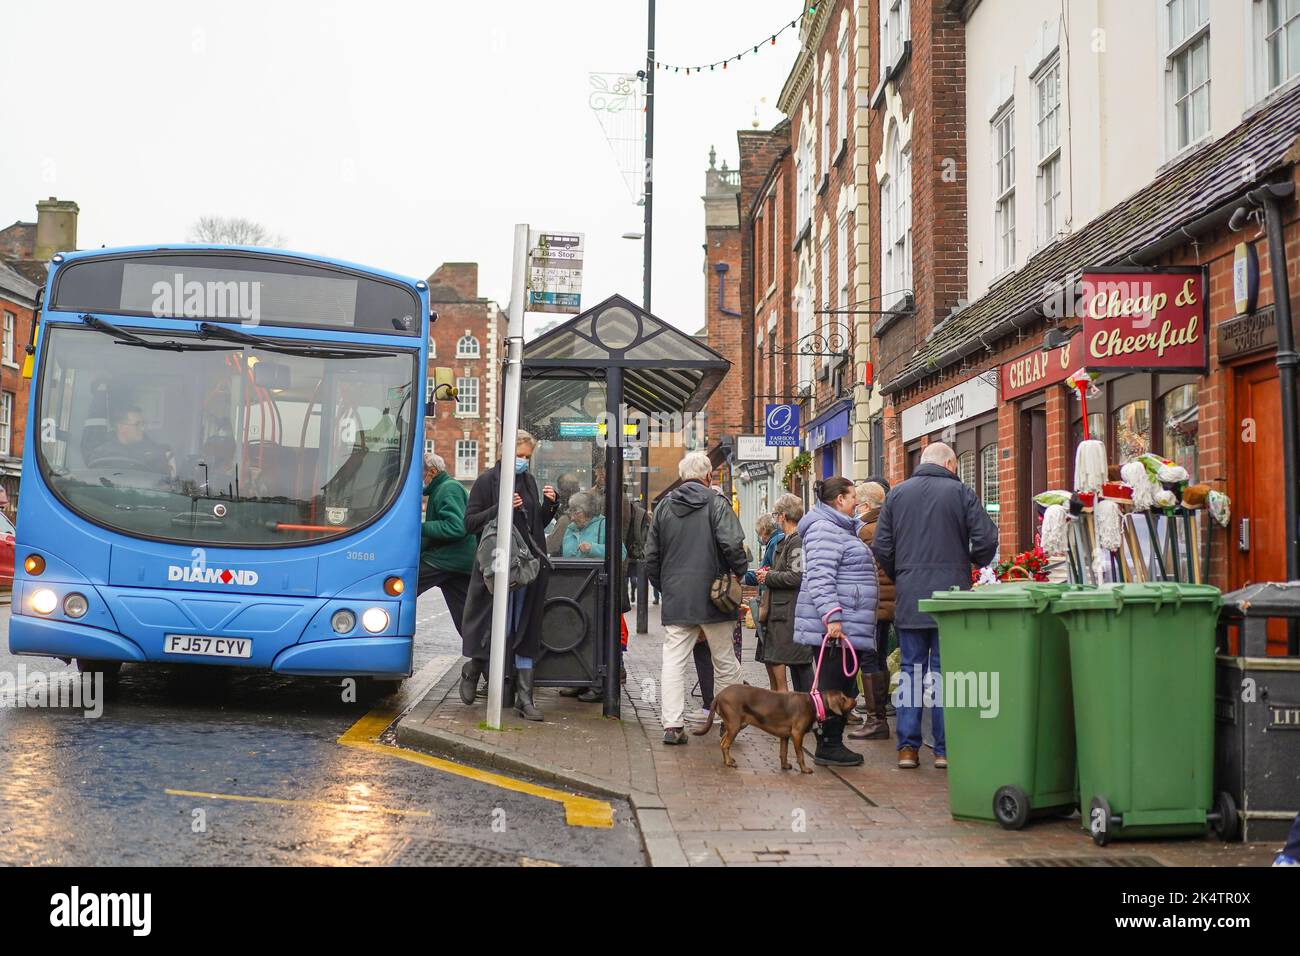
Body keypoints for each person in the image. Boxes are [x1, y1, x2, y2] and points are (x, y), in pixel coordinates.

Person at [871, 442, 998, 770]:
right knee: (945, 673)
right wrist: (969, 563)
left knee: (912, 671)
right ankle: (943, 750)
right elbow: (986, 538)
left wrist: (902, 572)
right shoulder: (961, 492)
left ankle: (908, 749)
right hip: (951, 598)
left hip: (911, 596)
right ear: (950, 464)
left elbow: (882, 545)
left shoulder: (897, 495)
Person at [645, 451, 747, 745]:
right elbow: (732, 544)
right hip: (715, 596)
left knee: (674, 661)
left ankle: (672, 726)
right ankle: (730, 722)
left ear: (682, 476)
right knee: (725, 661)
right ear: (708, 477)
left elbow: (651, 556)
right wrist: (739, 573)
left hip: (678, 597)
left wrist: (665, 587)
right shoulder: (717, 503)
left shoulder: (664, 506)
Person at [459, 431, 558, 721]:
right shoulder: (487, 480)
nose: (524, 462)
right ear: (505, 453)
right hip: (496, 565)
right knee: (493, 622)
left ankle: (524, 697)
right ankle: (474, 668)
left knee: (524, 627)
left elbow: (533, 524)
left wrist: (550, 505)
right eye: (520, 456)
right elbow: (469, 523)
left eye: (528, 457)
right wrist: (500, 507)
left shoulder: (528, 481)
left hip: (525, 567)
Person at [792, 477, 879, 768]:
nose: (857, 501)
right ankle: (829, 744)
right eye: (853, 495)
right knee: (833, 687)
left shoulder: (837, 527)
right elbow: (820, 576)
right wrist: (833, 616)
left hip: (844, 623)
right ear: (839, 500)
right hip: (834, 627)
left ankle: (831, 742)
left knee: (840, 686)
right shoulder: (824, 530)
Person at [849, 480, 894, 741]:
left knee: (869, 658)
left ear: (866, 505)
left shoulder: (866, 530)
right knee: (878, 657)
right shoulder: (886, 526)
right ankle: (879, 714)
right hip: (885, 603)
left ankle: (876, 719)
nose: (854, 506)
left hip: (872, 603)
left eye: (857, 501)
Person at [756, 493, 814, 693]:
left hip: (791, 613)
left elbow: (796, 576)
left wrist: (767, 577)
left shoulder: (797, 541)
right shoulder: (788, 540)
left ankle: (810, 713)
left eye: (775, 514)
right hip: (784, 613)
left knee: (801, 667)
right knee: (795, 665)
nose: (775, 519)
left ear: (783, 516)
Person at [416, 453, 474, 637]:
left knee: (402, 584)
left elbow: (456, 527)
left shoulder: (448, 488)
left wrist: (419, 527)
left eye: (420, 472)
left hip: (448, 558)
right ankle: (483, 657)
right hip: (460, 561)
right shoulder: (441, 488)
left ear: (432, 471)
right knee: (465, 616)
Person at [89, 406, 175, 476]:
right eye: (138, 424)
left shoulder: (155, 452)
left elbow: (164, 484)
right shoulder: (102, 454)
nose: (143, 428)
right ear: (121, 428)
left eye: (143, 424)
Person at [561, 492, 607, 557]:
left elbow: (621, 553)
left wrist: (592, 548)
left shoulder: (604, 525)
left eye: (576, 512)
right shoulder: (570, 528)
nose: (572, 518)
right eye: (570, 511)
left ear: (588, 511)